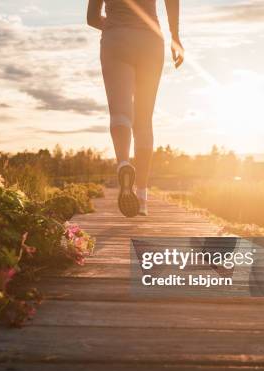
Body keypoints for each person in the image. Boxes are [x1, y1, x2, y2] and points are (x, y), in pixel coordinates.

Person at [87, 0, 184, 217]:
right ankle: (141, 197)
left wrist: (114, 25)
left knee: (120, 113)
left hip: (116, 39)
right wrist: (175, 36)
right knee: (144, 120)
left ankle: (123, 163)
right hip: (150, 40)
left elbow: (92, 17)